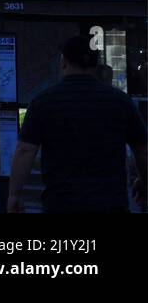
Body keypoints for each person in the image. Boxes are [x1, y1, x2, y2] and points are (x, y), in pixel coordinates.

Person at [8, 35, 147, 214]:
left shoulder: (43, 102)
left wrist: (14, 194)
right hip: (110, 203)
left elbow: (24, 151)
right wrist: (144, 182)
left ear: (63, 62)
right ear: (96, 67)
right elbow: (142, 150)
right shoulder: (120, 101)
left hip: (61, 203)